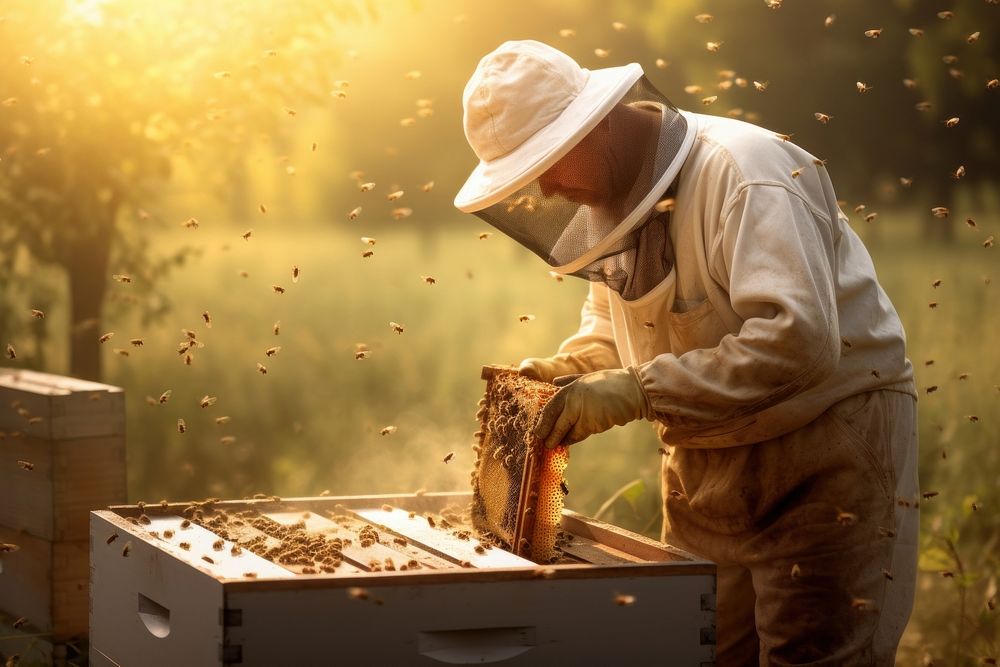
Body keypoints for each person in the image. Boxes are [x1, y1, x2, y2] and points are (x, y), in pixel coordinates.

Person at [454, 40, 919, 666]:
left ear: (595, 124)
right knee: (702, 651)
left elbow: (798, 339)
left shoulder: (748, 173)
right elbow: (617, 331)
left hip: (825, 452)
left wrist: (638, 390)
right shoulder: (610, 202)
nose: (544, 187)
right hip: (702, 467)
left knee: (816, 656)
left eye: (547, 161)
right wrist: (572, 370)